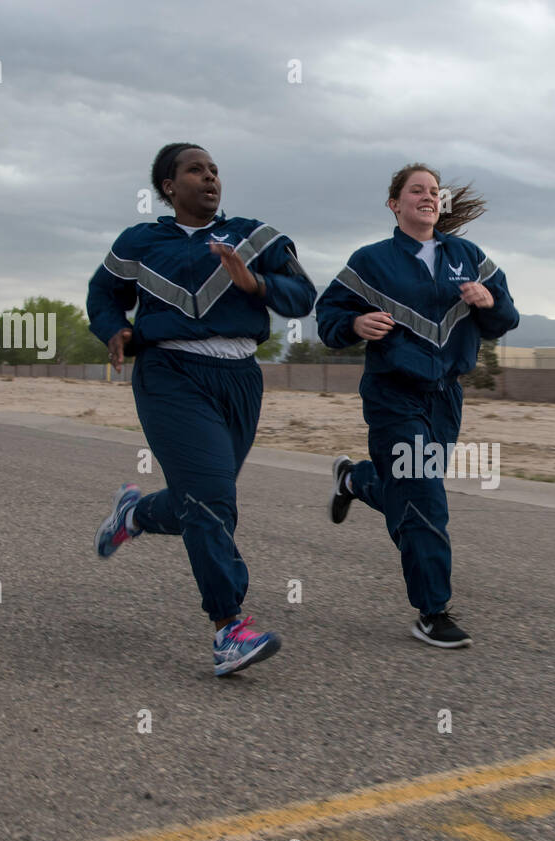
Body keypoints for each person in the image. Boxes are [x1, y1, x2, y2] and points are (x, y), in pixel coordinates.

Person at [87, 142, 316, 676]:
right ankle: (228, 629)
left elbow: (303, 295)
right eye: (196, 170)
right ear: (169, 187)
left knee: (201, 501)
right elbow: (102, 295)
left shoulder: (255, 237)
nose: (210, 178)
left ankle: (136, 514)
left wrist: (254, 282)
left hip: (240, 378)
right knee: (213, 496)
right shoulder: (139, 243)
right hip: (170, 375)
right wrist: (113, 330)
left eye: (214, 170)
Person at [315, 163, 519, 648]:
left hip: (447, 396)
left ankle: (357, 480)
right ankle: (433, 611)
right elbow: (328, 318)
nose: (428, 197)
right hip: (393, 394)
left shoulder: (469, 256)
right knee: (425, 494)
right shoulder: (371, 262)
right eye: (416, 190)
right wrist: (355, 325)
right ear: (395, 204)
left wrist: (488, 302)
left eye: (434, 192)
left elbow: (507, 317)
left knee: (410, 489)